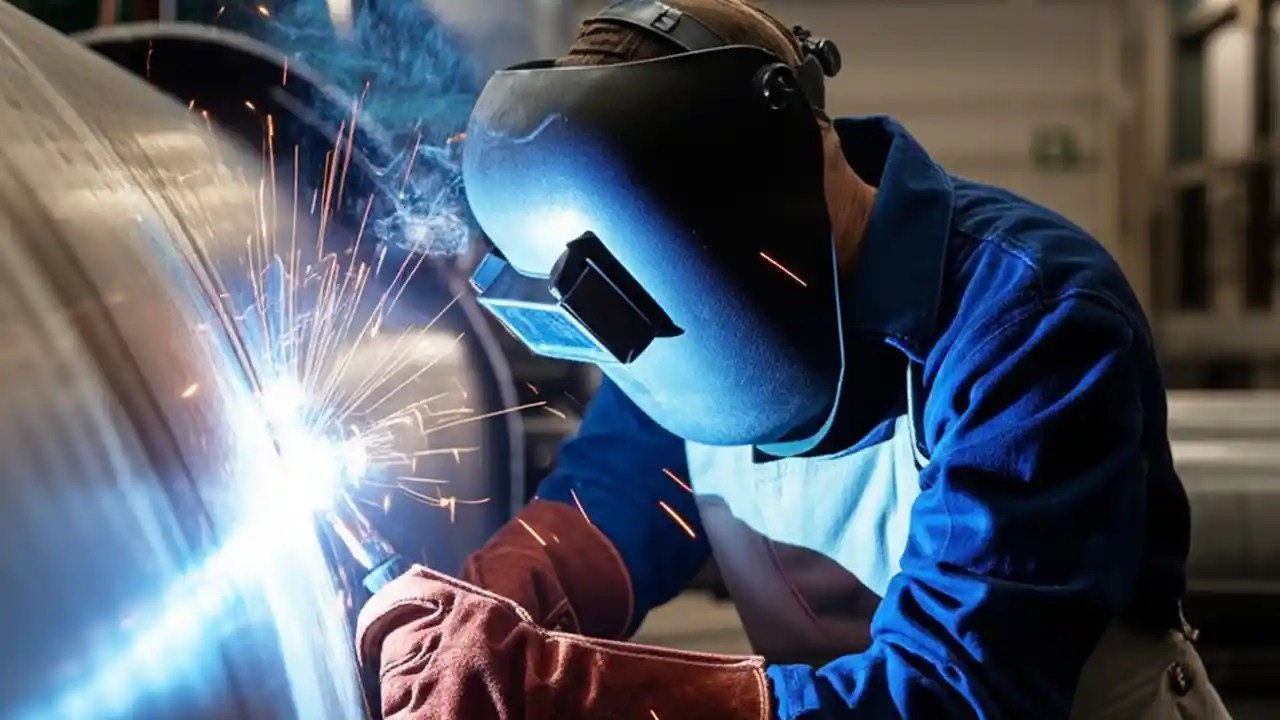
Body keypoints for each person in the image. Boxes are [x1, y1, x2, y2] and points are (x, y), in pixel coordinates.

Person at [355, 1, 1233, 717]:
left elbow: (963, 693)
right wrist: (481, 609)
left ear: (776, 177)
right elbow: (619, 498)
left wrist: (562, 695)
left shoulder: (1028, 319)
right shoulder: (683, 295)